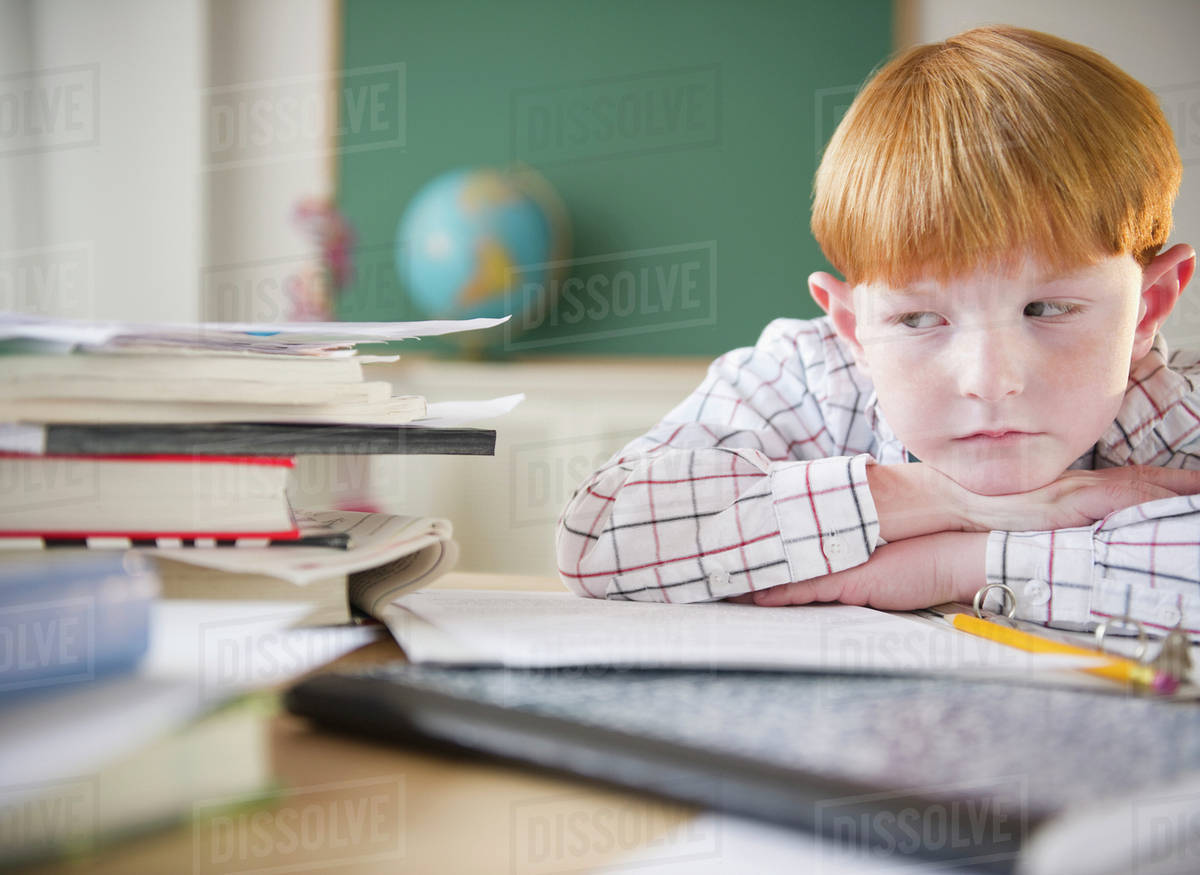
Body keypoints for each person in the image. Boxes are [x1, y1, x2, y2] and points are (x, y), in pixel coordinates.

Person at [555, 25, 1200, 639]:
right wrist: (940, 501)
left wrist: (961, 566)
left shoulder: (1176, 414)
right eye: (919, 319)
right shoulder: (805, 378)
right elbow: (599, 536)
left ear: (1147, 307)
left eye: (1047, 309)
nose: (990, 381)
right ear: (853, 328)